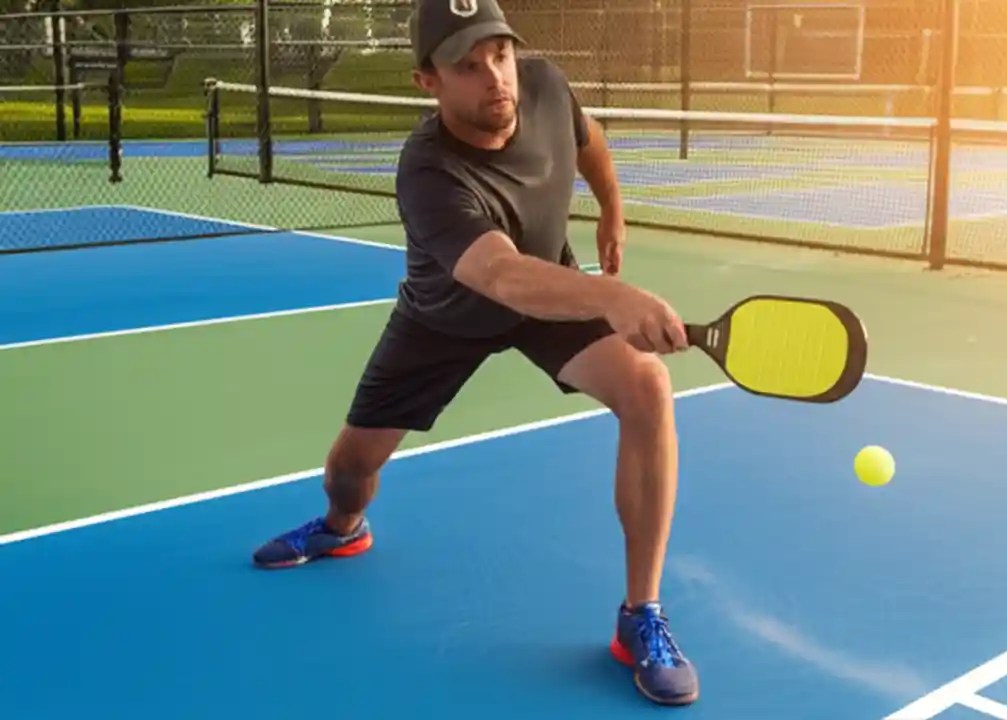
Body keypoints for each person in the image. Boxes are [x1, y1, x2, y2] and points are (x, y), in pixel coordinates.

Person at [250, 0, 700, 707]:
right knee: (348, 471)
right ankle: (343, 530)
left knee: (647, 387)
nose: (496, 77)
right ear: (428, 82)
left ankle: (640, 615)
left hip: (550, 299)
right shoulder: (426, 169)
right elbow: (497, 275)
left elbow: (589, 141)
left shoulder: (545, 84)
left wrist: (612, 211)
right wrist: (613, 298)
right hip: (445, 319)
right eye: (468, 65)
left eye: (500, 54)